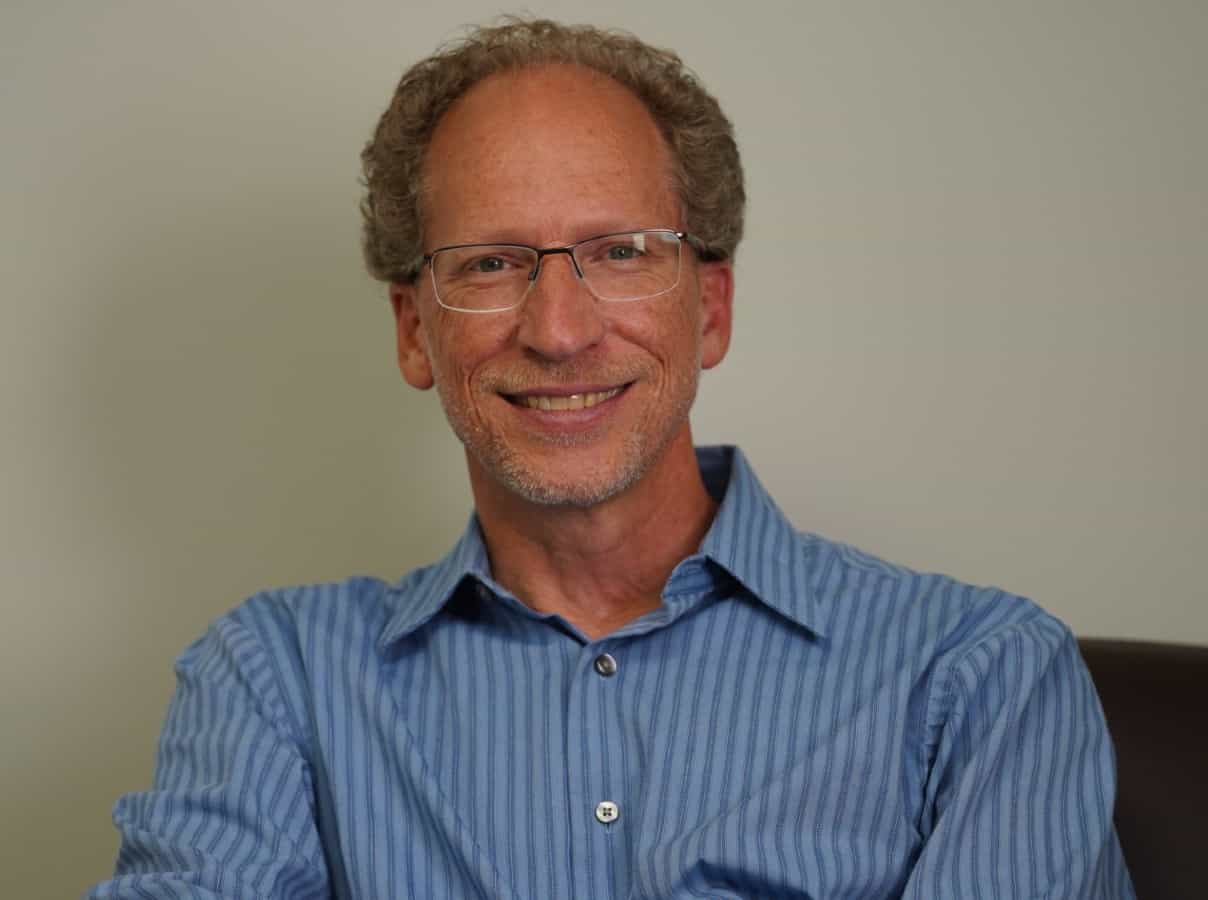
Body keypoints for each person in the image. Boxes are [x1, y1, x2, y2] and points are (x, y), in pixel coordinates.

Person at [87, 18, 1134, 899]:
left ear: (709, 309)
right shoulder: (277, 681)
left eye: (620, 252)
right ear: (413, 332)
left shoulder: (979, 679)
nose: (558, 330)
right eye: (491, 263)